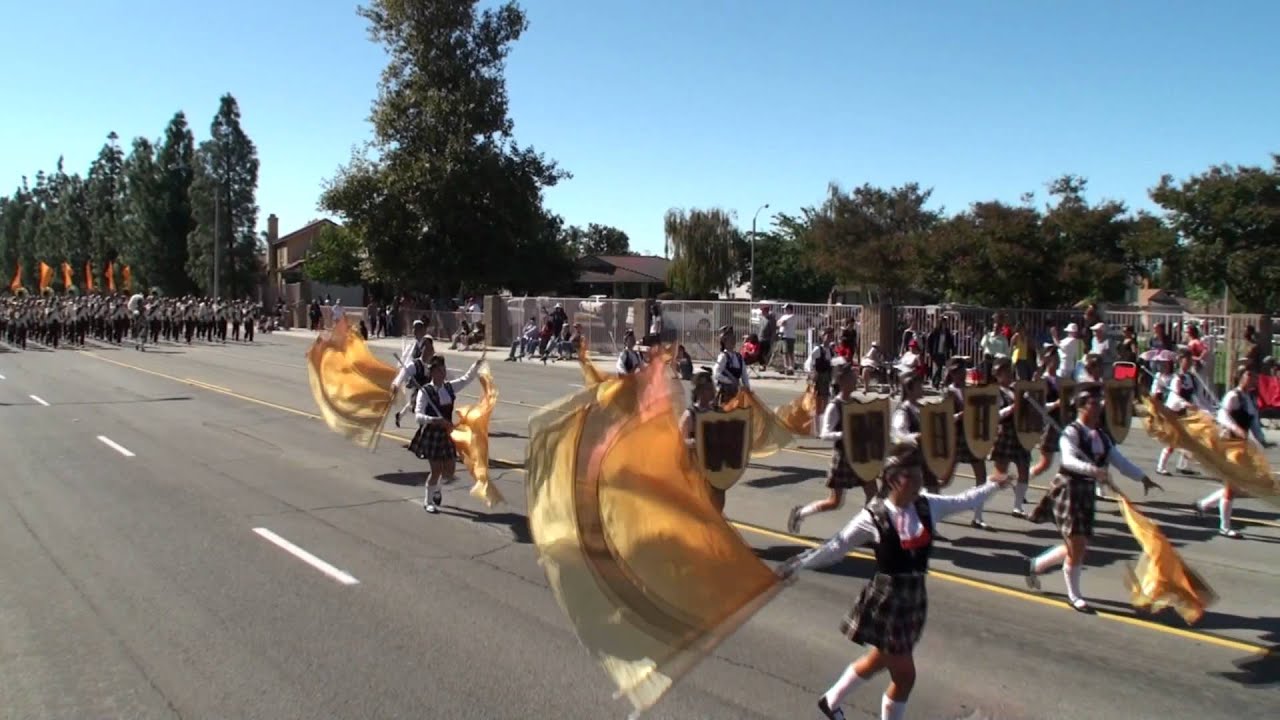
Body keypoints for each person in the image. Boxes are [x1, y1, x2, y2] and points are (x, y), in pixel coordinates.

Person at [778, 442, 1012, 720]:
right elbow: (834, 548)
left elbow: (964, 500)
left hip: (914, 597)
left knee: (878, 661)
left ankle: (830, 701)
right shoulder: (872, 517)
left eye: (919, 476)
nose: (917, 483)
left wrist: (994, 485)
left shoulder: (927, 505)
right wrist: (798, 564)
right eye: (909, 477)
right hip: (888, 601)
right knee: (905, 676)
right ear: (891, 480)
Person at [1025, 385, 1161, 611]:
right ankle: (1074, 595)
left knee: (1077, 545)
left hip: (1086, 491)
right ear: (1081, 406)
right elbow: (1068, 461)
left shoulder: (1102, 437)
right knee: (1077, 544)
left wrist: (1143, 478)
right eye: (1094, 403)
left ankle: (1036, 564)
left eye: (1100, 403)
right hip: (1068, 489)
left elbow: (1120, 461)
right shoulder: (1070, 433)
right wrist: (1092, 470)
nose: (1099, 408)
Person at [787, 361, 876, 534]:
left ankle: (867, 529)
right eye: (851, 377)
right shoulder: (835, 406)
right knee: (835, 501)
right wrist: (844, 434)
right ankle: (800, 513)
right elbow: (825, 433)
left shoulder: (857, 402)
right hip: (843, 456)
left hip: (859, 455)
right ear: (842, 381)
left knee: (873, 492)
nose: (855, 379)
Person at [1194, 366, 1273, 538]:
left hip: (1242, 445)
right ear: (1240, 377)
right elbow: (1222, 416)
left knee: (1236, 486)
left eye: (1253, 376)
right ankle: (1224, 526)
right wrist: (1235, 427)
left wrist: (1261, 438)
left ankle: (1204, 504)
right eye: (1249, 375)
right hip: (1228, 444)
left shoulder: (1250, 398)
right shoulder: (1233, 396)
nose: (1252, 379)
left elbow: (1253, 422)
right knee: (1232, 486)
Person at [413, 355, 483, 513]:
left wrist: (476, 365)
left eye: (443, 370)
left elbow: (466, 379)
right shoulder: (425, 392)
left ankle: (437, 488)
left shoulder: (449, 387)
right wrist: (434, 420)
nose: (442, 373)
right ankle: (428, 501)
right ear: (432, 373)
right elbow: (418, 415)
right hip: (432, 434)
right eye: (438, 371)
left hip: (447, 432)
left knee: (449, 471)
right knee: (436, 469)